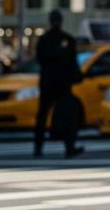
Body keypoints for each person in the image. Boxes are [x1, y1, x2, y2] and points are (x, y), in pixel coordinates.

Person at [34, 9, 84, 158]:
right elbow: (73, 63)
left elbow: (40, 59)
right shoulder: (66, 39)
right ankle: (68, 147)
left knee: (43, 116)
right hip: (61, 83)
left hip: (49, 82)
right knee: (66, 116)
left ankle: (39, 148)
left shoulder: (46, 40)